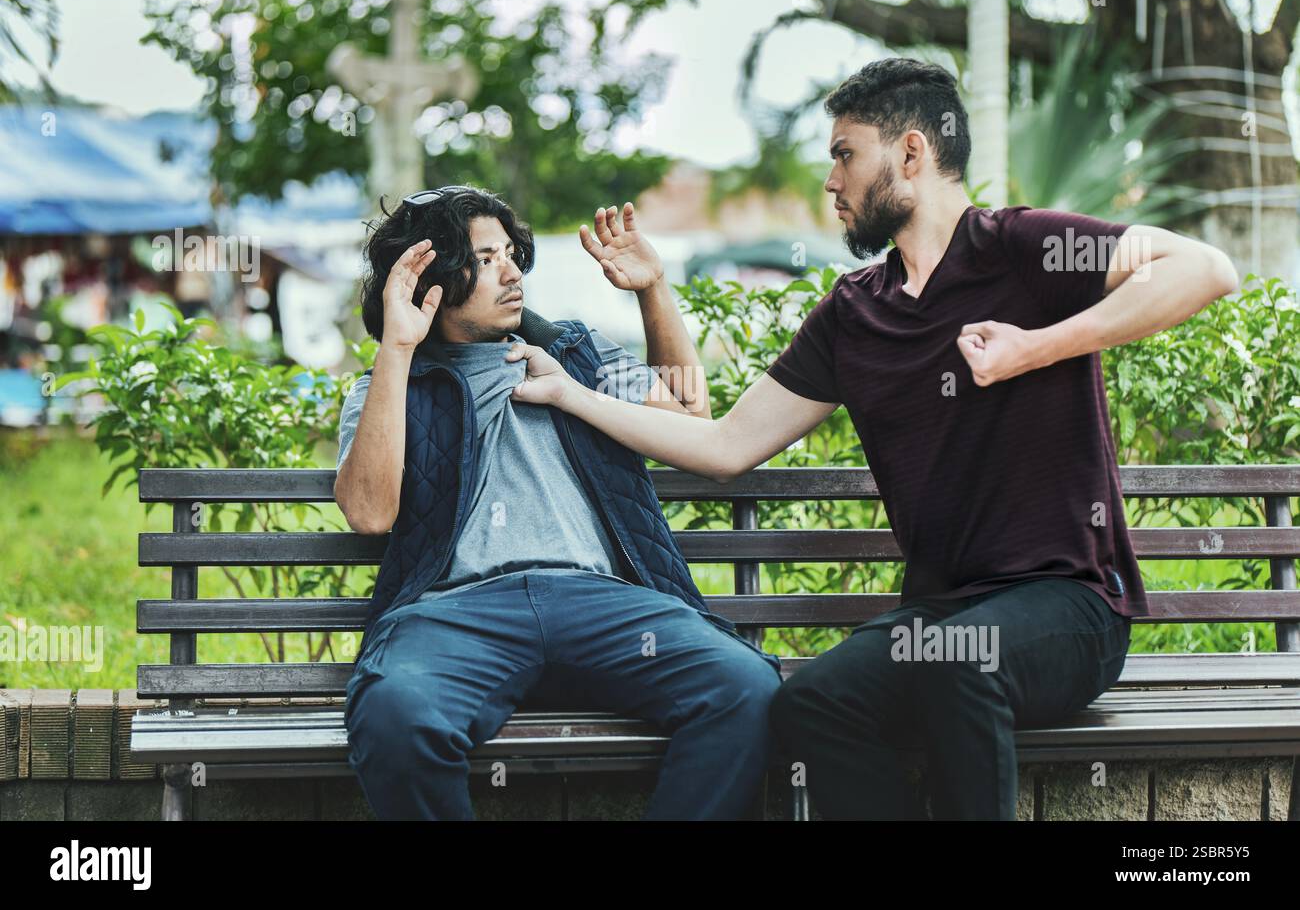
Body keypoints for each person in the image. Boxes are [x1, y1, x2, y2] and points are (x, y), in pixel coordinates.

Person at [506, 58, 1240, 819]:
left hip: (1069, 606)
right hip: (942, 613)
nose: (831, 181)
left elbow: (1203, 267)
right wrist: (570, 391)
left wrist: (1036, 346)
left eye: (845, 153)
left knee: (962, 666)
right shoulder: (855, 313)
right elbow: (724, 443)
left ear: (912, 154)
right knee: (812, 703)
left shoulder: (1022, 249)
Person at [338, 185, 782, 820]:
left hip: (603, 605)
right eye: (484, 259)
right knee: (394, 715)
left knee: (744, 688)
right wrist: (398, 349)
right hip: (456, 616)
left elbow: (692, 415)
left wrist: (652, 289)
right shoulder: (387, 384)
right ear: (431, 277)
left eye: (510, 253)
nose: (512, 270)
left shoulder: (575, 355)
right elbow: (369, 513)